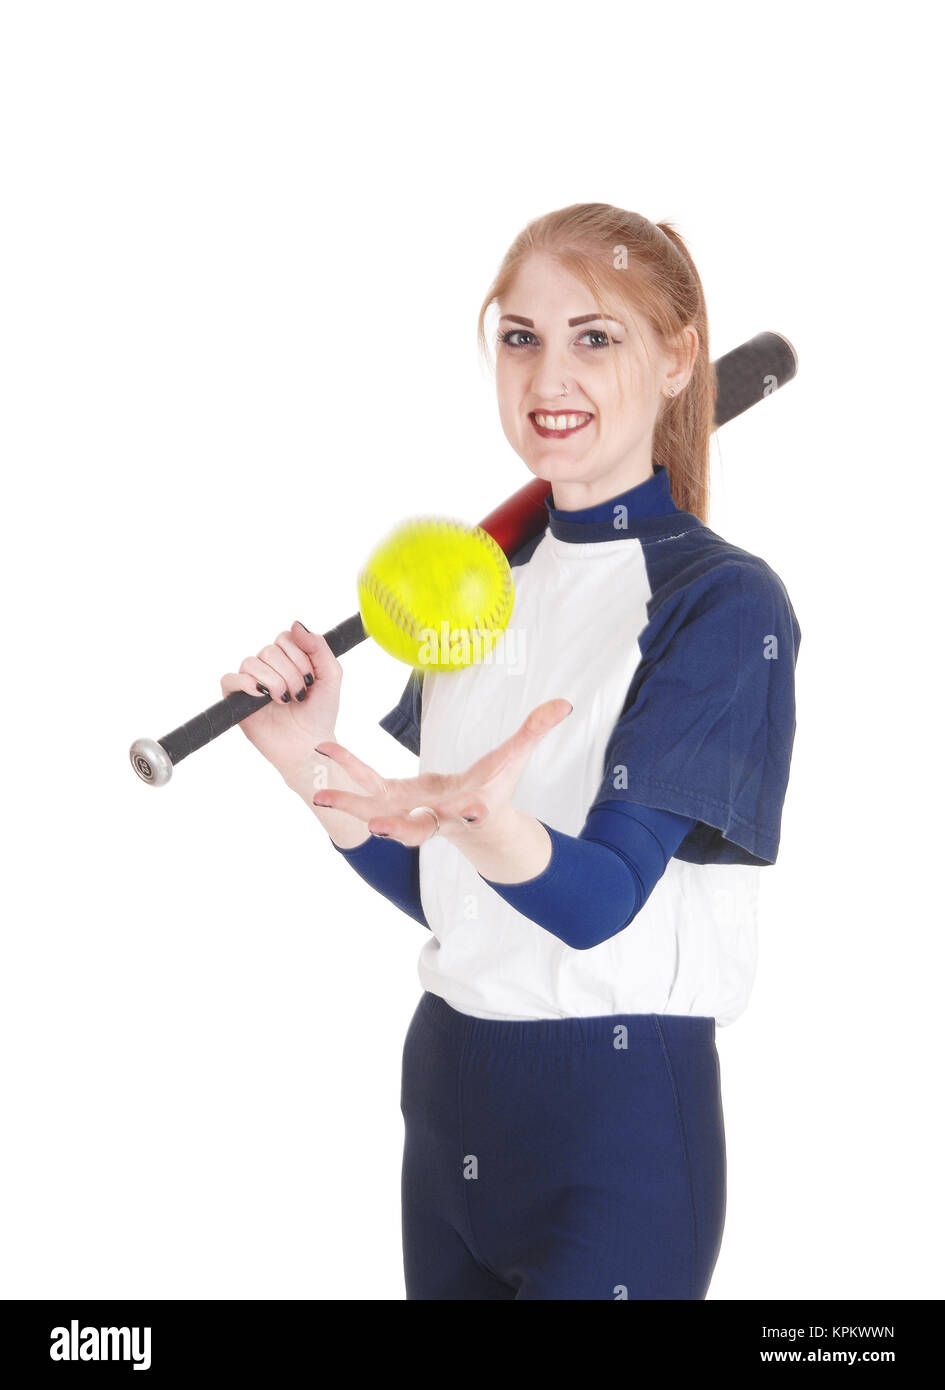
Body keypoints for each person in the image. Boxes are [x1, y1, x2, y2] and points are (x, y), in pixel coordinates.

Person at [220, 203, 801, 1300]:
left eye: (596, 336)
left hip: (616, 1123)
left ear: (679, 359)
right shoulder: (474, 588)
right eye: (521, 337)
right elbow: (453, 896)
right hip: (448, 1095)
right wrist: (312, 765)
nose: (548, 376)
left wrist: (487, 825)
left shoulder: (721, 603)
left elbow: (599, 901)